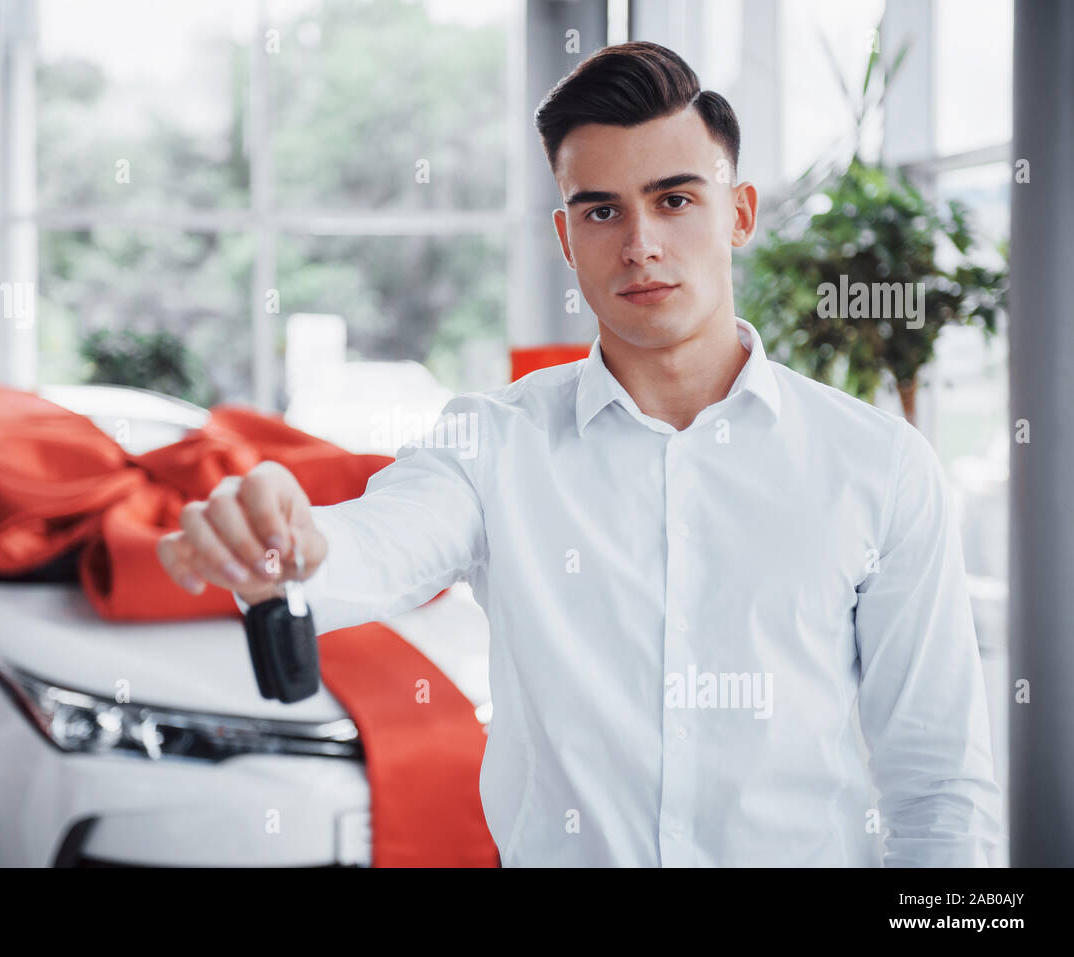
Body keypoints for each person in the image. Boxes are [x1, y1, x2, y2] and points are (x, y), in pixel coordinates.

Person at [157, 41, 1002, 867]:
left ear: (738, 213)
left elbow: (937, 784)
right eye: (603, 210)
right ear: (568, 238)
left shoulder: (878, 464)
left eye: (674, 200)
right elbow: (373, 544)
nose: (639, 243)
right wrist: (279, 541)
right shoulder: (491, 442)